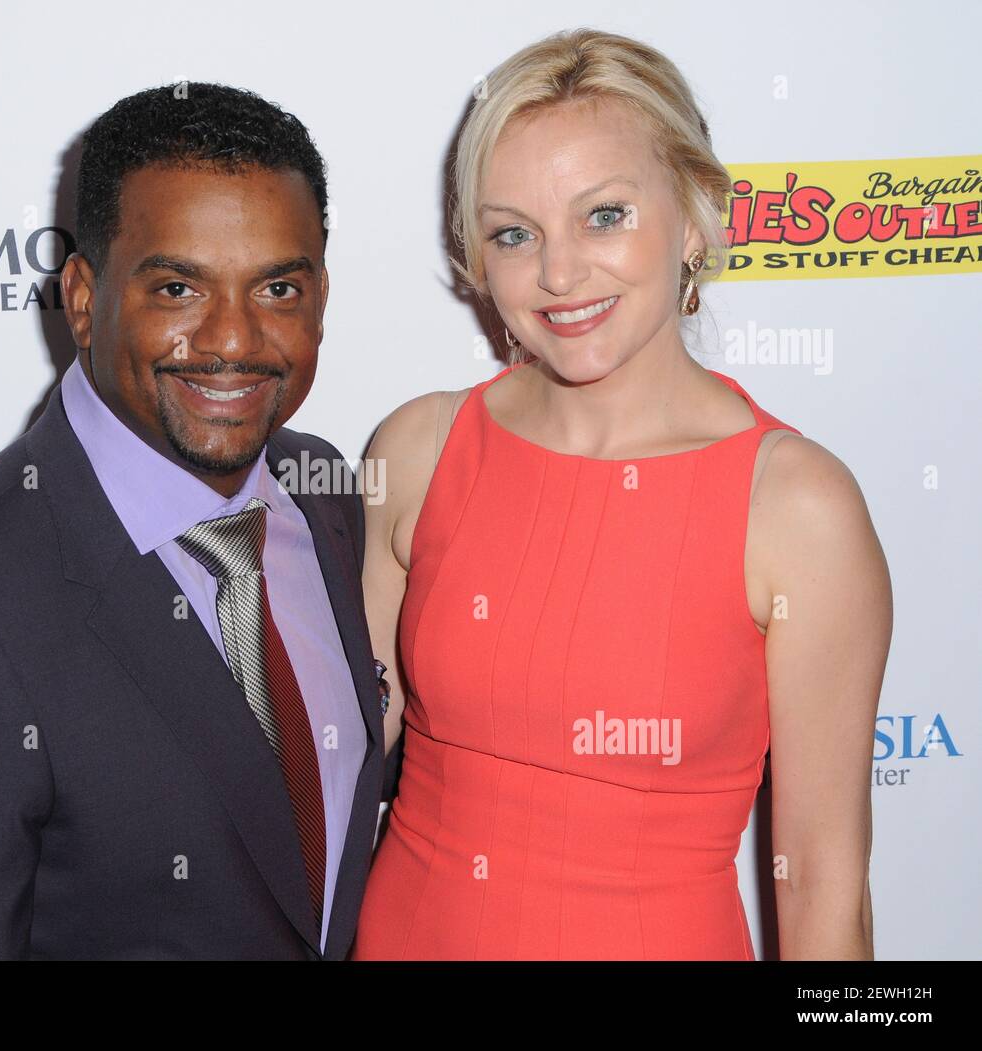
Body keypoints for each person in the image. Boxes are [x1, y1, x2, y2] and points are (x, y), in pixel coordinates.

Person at [0, 83, 385, 960]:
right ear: (80, 298)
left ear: (321, 296)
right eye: (179, 287)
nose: (233, 339)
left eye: (278, 287)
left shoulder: (321, 493)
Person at [350, 29, 892, 960]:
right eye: (514, 233)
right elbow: (334, 785)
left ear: (694, 215)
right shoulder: (421, 449)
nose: (558, 275)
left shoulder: (797, 508)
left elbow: (823, 896)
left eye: (604, 216)